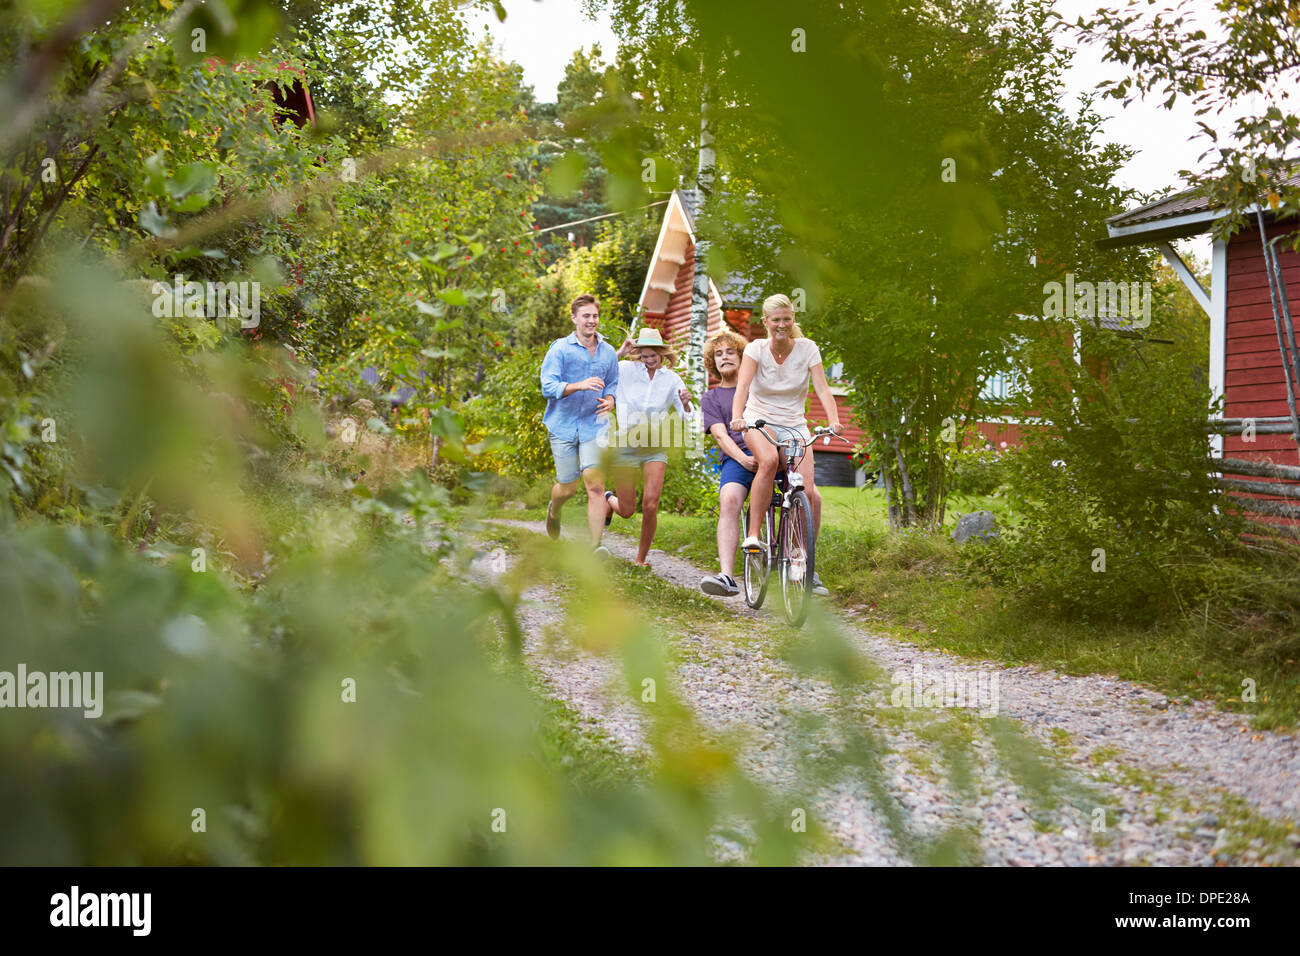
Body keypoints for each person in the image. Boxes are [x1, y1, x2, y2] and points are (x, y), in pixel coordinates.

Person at [729, 293, 842, 596]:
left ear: (793, 319)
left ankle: (803, 563)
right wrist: (738, 417)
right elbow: (742, 387)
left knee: (811, 496)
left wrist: (834, 419)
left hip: (794, 425)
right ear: (765, 322)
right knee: (767, 462)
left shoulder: (808, 349)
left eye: (787, 319)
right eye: (775, 320)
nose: (782, 325)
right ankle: (753, 537)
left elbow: (822, 387)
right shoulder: (755, 349)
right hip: (759, 421)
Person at [604, 327, 692, 567]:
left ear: (662, 353)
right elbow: (600, 367)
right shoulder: (624, 370)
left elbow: (688, 417)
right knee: (627, 510)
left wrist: (685, 404)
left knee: (651, 504)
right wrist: (621, 352)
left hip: (654, 446)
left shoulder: (672, 379)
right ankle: (608, 501)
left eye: (654, 355)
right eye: (645, 355)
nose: (650, 360)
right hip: (625, 444)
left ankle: (640, 560)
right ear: (638, 353)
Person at [539, 294, 619, 555]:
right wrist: (578, 385)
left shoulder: (608, 352)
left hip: (594, 426)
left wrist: (610, 400)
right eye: (586, 316)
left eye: (594, 315)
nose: (591, 320)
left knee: (595, 486)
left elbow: (613, 383)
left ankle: (595, 547)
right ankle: (555, 507)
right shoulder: (560, 349)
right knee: (568, 488)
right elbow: (547, 386)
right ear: (574, 318)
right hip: (562, 426)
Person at [698, 328, 754, 596]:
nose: (725, 357)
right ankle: (727, 576)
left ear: (742, 357)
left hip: (769, 452)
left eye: (731, 352)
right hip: (736, 457)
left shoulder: (756, 389)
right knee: (729, 499)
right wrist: (744, 459)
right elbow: (721, 436)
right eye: (718, 354)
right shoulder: (710, 398)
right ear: (713, 363)